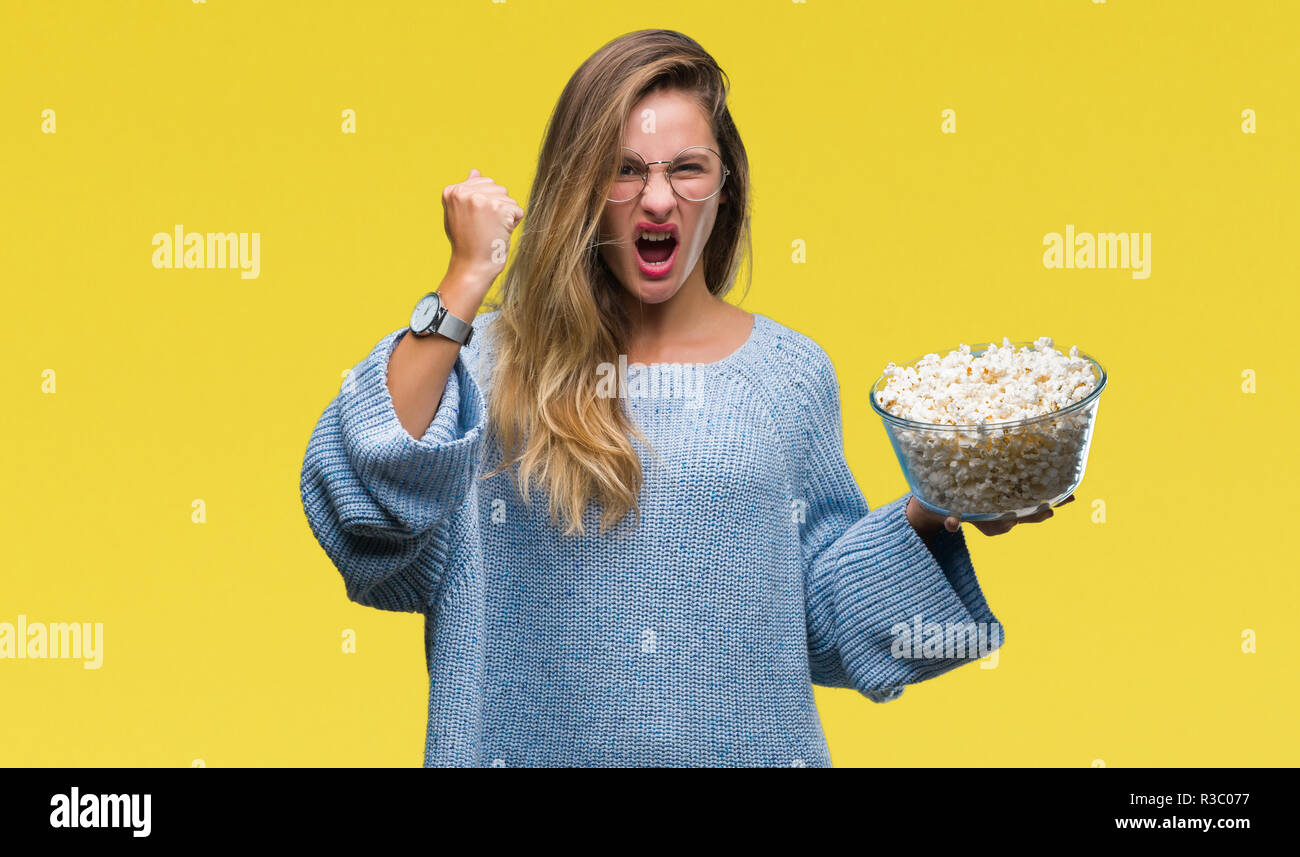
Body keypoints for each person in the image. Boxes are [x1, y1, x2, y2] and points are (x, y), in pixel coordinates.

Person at [299, 28, 1069, 767]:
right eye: (624, 170)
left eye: (686, 169)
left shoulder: (788, 373)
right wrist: (465, 280)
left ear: (725, 183)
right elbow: (363, 513)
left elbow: (822, 624)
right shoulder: (491, 363)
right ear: (581, 189)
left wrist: (934, 508)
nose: (656, 199)